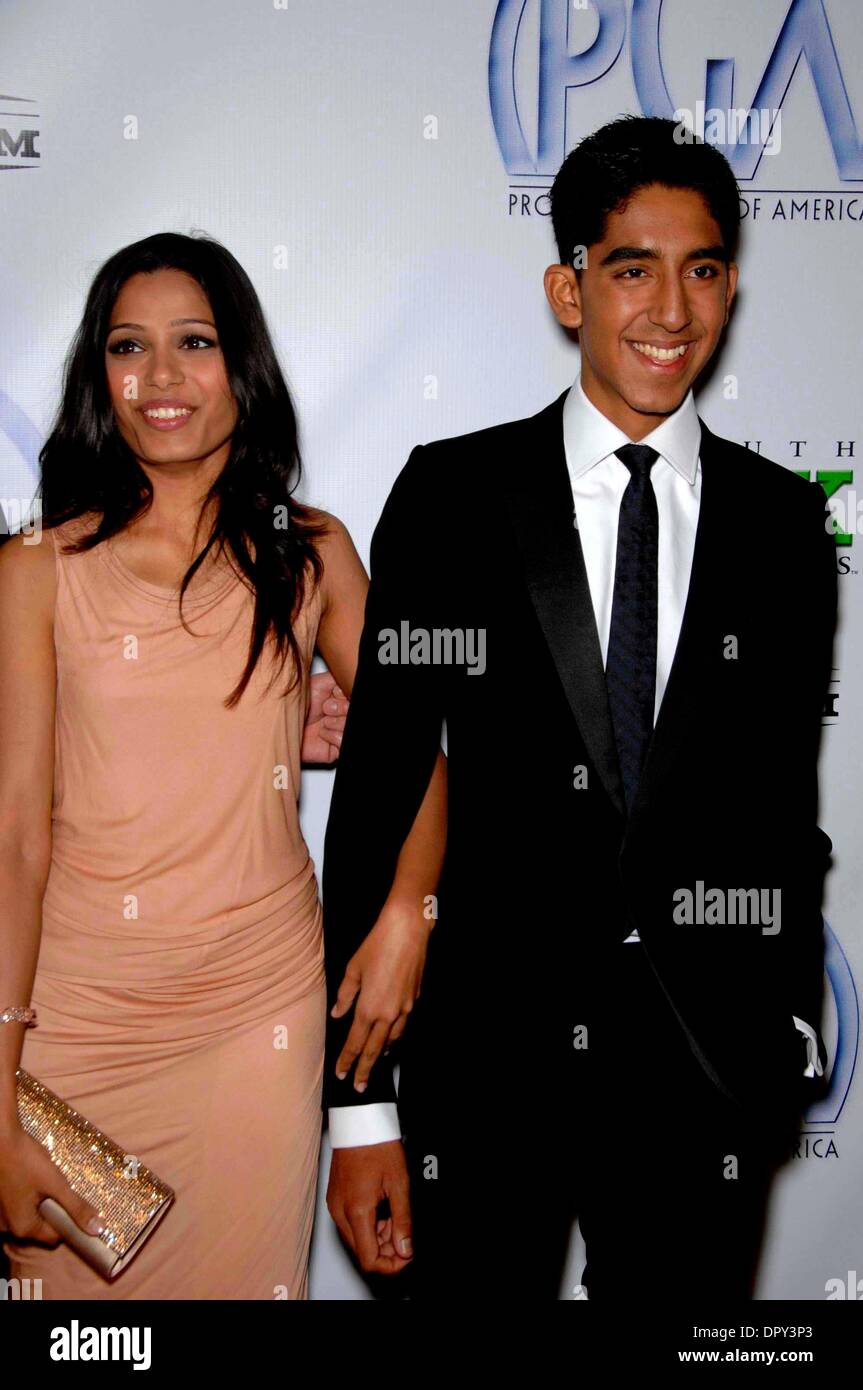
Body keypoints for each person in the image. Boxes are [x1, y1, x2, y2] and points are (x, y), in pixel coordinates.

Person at [322, 116, 838, 1300]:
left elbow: (778, 805)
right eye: (630, 269)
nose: (670, 309)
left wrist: (781, 1014)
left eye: (701, 269)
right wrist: (359, 1110)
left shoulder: (781, 524)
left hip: (702, 1067)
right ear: (568, 288)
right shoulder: (455, 495)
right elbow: (383, 784)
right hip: (485, 1061)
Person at [0, 232, 446, 1299]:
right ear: (98, 377)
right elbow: (15, 834)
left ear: (240, 365)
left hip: (258, 1014)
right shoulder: (35, 568)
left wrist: (404, 914)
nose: (159, 378)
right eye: (127, 346)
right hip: (76, 1025)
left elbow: (414, 750)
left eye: (192, 343)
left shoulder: (312, 553)